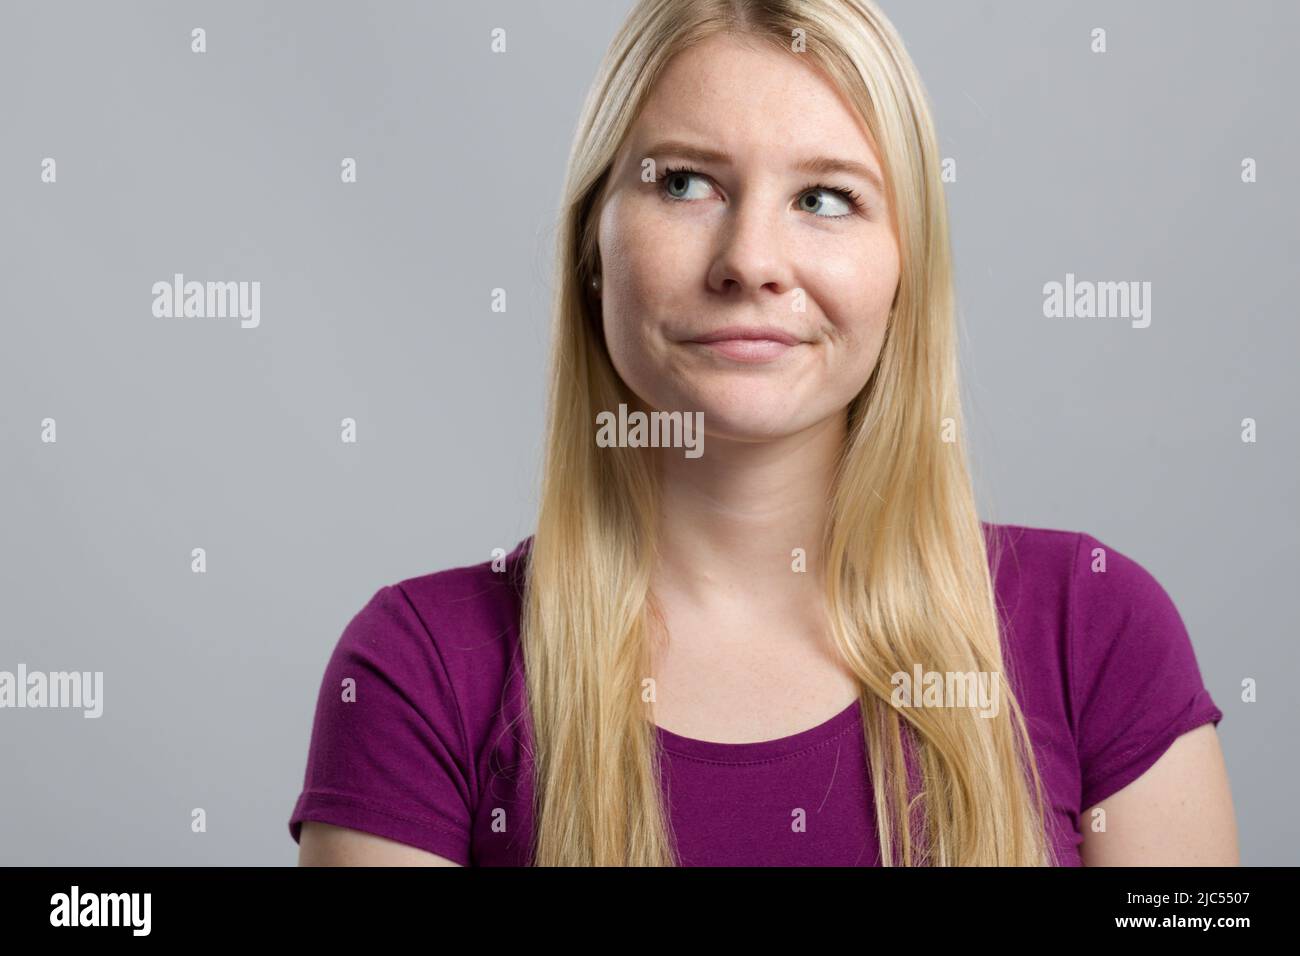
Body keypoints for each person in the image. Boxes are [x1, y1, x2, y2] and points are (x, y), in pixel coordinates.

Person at [290, 0, 1237, 866]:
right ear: (592, 247)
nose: (751, 260)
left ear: (907, 269)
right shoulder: (418, 673)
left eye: (826, 198)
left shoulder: (1099, 633)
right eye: (687, 183)